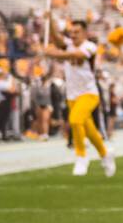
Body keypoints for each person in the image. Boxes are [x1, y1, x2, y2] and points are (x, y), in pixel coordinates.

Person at [43, 18, 116, 178]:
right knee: (90, 131)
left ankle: (81, 156)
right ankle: (105, 154)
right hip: (72, 95)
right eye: (72, 32)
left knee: (75, 120)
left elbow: (75, 55)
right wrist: (50, 19)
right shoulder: (68, 44)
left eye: (77, 32)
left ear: (85, 33)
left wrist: (52, 53)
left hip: (89, 93)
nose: (73, 35)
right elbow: (57, 38)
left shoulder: (90, 47)